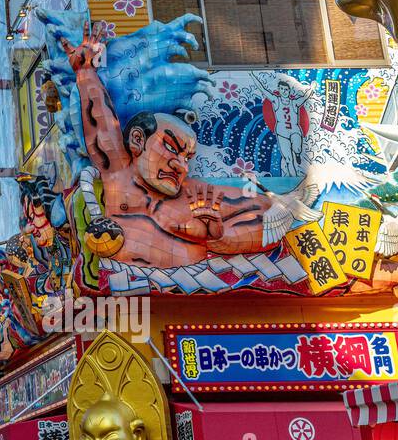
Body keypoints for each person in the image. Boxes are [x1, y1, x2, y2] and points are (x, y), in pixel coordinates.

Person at [58, 21, 277, 268]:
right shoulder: (118, 174)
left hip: (190, 288)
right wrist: (85, 72)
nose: (181, 165)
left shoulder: (197, 197)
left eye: (187, 157)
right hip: (125, 289)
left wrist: (220, 236)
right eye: (172, 148)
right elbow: (101, 124)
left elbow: (269, 212)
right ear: (138, 140)